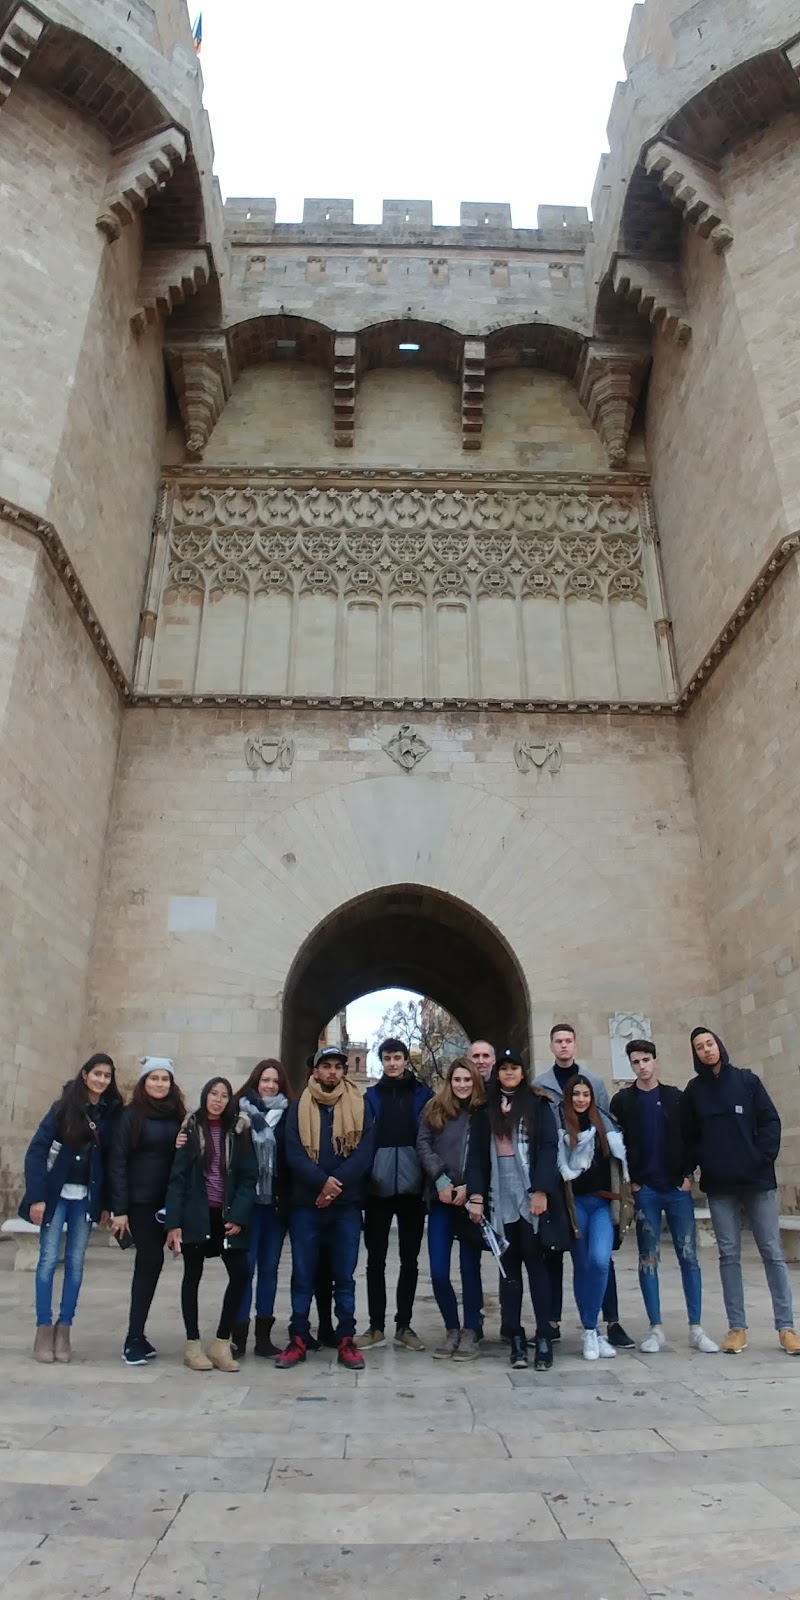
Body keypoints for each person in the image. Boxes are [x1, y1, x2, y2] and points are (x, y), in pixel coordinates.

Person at [681, 1027, 800, 1356]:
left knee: (772, 1252)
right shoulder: (694, 1092)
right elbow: (689, 1137)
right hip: (720, 1185)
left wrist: (762, 1157)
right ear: (695, 1054)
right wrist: (693, 1167)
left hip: (757, 1182)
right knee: (729, 1255)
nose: (707, 1050)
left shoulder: (747, 1082)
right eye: (700, 1047)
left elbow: (770, 1120)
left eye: (710, 1043)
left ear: (719, 1045)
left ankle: (786, 1327)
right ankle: (737, 1327)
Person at [610, 1040, 718, 1355]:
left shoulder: (676, 1098)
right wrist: (631, 1181)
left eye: (646, 1060)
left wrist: (687, 1175)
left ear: (655, 1061)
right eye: (636, 1062)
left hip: (676, 1189)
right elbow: (617, 1143)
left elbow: (693, 1137)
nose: (642, 1066)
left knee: (689, 1256)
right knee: (648, 1257)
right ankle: (655, 1327)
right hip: (645, 1190)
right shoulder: (623, 1101)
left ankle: (696, 1327)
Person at [535, 1022, 633, 1349]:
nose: (564, 1045)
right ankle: (556, 1322)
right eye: (558, 1041)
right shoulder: (540, 1085)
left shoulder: (595, 1082)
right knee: (564, 1257)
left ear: (575, 1044)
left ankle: (610, 1320)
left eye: (568, 1040)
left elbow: (603, 1121)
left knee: (601, 1259)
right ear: (551, 1046)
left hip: (599, 1194)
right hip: (565, 1188)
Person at [467, 1048, 567, 1371]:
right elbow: (476, 1156)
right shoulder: (485, 1108)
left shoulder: (538, 1104)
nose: (509, 1073)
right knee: (508, 1268)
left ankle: (543, 1335)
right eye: (504, 1068)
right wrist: (477, 1196)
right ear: (497, 1073)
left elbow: (549, 1148)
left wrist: (541, 1190)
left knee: (535, 1263)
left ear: (523, 1073)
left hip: (530, 1190)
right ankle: (516, 1336)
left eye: (515, 1068)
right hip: (499, 1190)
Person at [277, 1045, 375, 1370]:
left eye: (337, 1066)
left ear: (344, 1071)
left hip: (345, 1206)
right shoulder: (298, 1107)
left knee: (344, 1277)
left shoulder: (360, 1105)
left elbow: (364, 1152)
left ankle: (346, 1338)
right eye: (326, 1066)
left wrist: (334, 1186)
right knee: (303, 1276)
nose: (332, 1071)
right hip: (306, 1206)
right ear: (315, 1071)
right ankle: (298, 1336)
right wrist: (321, 1184)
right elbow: (293, 1152)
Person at [20, 1053, 122, 1364]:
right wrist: (37, 1196)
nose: (101, 1080)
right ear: (85, 1074)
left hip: (85, 1198)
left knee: (76, 1262)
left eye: (107, 1075)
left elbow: (111, 1161)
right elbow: (37, 1150)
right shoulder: (63, 1108)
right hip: (56, 1195)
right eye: (97, 1074)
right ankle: (43, 1328)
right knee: (49, 1259)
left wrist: (106, 1204)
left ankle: (64, 1328)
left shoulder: (111, 1114)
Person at [164, 1076, 258, 1372]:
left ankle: (220, 1342)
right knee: (192, 1275)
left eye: (224, 1095)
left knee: (240, 1274)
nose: (218, 1100)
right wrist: (173, 1223)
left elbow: (249, 1177)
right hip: (196, 1215)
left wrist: (239, 1215)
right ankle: (192, 1344)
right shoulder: (191, 1129)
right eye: (213, 1093)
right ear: (205, 1095)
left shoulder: (239, 1130)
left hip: (226, 1216)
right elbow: (178, 1178)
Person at [109, 1056, 187, 1365]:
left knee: (153, 1265)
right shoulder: (131, 1116)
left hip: (166, 1201)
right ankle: (132, 1338)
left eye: (164, 1079)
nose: (159, 1084)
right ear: (144, 1082)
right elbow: (117, 1160)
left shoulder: (177, 1115)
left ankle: (138, 1335)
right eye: (154, 1078)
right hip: (140, 1202)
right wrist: (119, 1209)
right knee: (149, 1261)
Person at [360, 1038, 432, 1351]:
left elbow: (431, 1135)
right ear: (382, 1061)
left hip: (412, 1188)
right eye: (387, 1058)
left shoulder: (422, 1094)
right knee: (375, 1260)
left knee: (409, 1260)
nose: (392, 1063)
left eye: (397, 1057)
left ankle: (404, 1325)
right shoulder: (370, 1097)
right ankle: (376, 1326)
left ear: (405, 1060)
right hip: (377, 1188)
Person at [556, 1074, 629, 1361]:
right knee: (583, 1265)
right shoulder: (562, 1127)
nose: (581, 1099)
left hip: (602, 1204)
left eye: (585, 1094)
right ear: (569, 1097)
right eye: (576, 1094)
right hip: (576, 1206)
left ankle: (591, 1328)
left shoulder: (605, 1125)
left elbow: (619, 1162)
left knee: (600, 1261)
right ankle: (591, 1331)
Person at [417, 1058, 486, 1360]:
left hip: (470, 1198)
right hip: (441, 1198)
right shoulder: (435, 1108)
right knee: (438, 1270)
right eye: (457, 1079)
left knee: (470, 1268)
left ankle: (471, 1328)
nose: (462, 1085)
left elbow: (486, 1153)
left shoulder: (484, 1112)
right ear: (449, 1081)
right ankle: (451, 1327)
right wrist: (441, 1180)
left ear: (475, 1081)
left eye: (467, 1079)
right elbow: (423, 1145)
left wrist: (470, 1187)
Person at [229, 1058, 292, 1359]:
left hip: (274, 1206)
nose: (270, 1086)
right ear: (255, 1081)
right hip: (247, 1205)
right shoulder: (237, 1111)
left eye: (275, 1081)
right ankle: (238, 1337)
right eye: (265, 1080)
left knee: (269, 1270)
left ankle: (263, 1338)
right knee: (244, 1270)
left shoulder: (289, 1114)